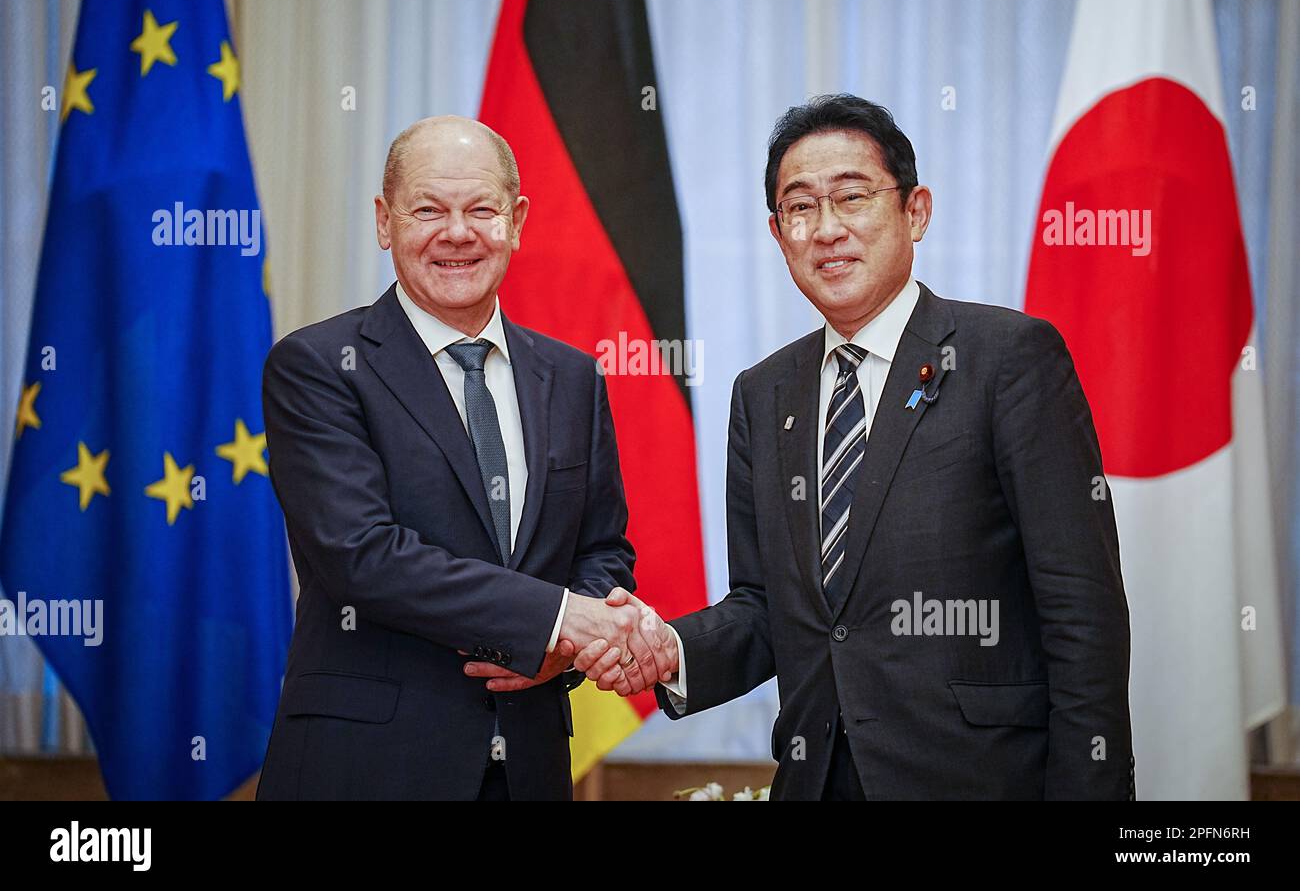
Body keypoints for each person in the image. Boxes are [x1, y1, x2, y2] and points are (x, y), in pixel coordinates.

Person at [577, 94, 1135, 801]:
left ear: (916, 211)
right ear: (780, 236)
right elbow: (763, 609)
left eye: (852, 196)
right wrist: (669, 650)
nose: (828, 229)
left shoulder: (1008, 359)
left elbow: (1081, 611)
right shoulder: (763, 394)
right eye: (801, 208)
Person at [256, 116, 663, 800]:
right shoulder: (320, 365)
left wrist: (559, 646)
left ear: (517, 220)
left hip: (529, 768)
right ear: (385, 222)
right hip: (365, 767)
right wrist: (554, 620)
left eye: (481, 209)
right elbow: (362, 555)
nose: (457, 233)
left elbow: (602, 549)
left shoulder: (571, 378)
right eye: (428, 210)